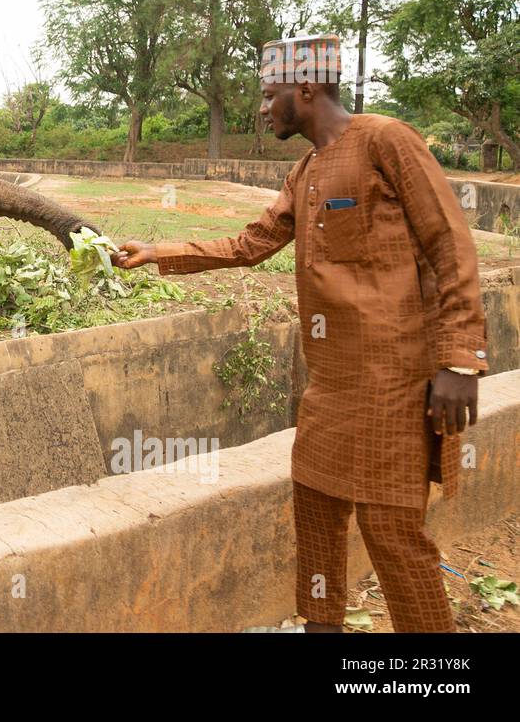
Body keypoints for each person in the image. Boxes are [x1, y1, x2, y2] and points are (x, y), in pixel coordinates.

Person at [112, 34, 489, 633]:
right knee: (315, 517)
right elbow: (249, 244)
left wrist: (460, 362)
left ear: (305, 89)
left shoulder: (385, 140)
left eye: (269, 96)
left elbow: (450, 243)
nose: (262, 108)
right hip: (331, 386)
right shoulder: (307, 170)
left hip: (395, 381)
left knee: (392, 533)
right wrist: (158, 250)